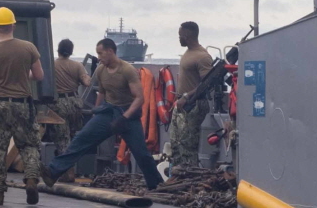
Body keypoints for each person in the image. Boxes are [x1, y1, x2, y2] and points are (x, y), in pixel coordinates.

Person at [44, 36, 164, 192]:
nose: (99, 57)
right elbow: (102, 92)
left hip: (128, 115)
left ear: (110, 51)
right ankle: (52, 173)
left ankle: (157, 185)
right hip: (108, 112)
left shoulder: (127, 70)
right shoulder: (101, 70)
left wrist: (125, 118)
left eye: (101, 54)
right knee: (81, 140)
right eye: (97, 54)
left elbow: (140, 98)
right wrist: (96, 111)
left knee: (141, 153)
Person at [0, 6, 45, 206]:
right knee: (29, 145)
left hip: (0, 105)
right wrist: (24, 76)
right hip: (23, 105)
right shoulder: (28, 47)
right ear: (13, 25)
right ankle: (31, 179)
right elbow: (39, 76)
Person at [163, 21, 213, 168]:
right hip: (182, 104)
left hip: (193, 104)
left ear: (187, 36)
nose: (179, 38)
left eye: (180, 35)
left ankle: (188, 175)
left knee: (187, 144)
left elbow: (207, 84)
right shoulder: (188, 53)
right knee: (176, 142)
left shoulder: (202, 56)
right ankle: (178, 173)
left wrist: (186, 96)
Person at [51, 39, 89, 141]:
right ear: (71, 51)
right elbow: (87, 83)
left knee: (62, 136)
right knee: (75, 134)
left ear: (58, 50)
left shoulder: (51, 65)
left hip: (58, 103)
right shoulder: (77, 65)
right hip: (74, 102)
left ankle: (63, 154)